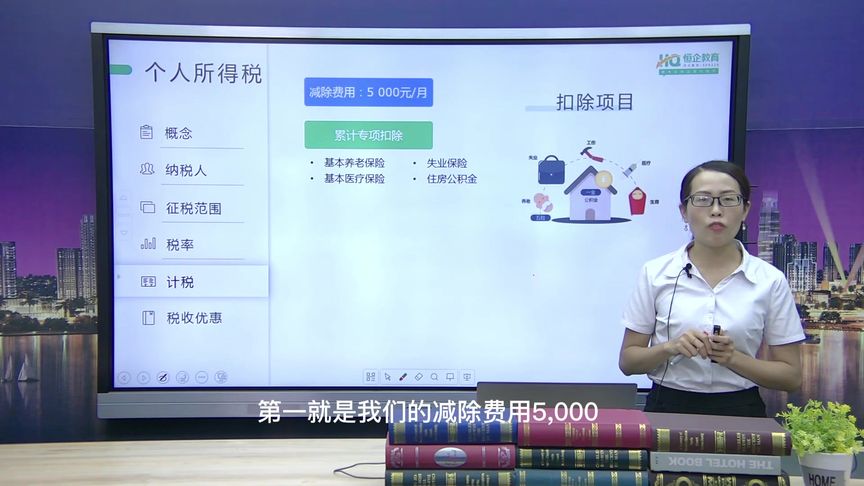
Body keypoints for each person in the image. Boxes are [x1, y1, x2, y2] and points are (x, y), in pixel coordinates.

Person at [618, 160, 804, 417]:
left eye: (728, 200)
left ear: (745, 210)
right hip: (667, 407)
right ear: (684, 211)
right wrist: (671, 347)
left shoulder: (770, 280)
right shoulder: (655, 273)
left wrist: (732, 358)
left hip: (741, 410)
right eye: (703, 200)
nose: (716, 211)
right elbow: (628, 362)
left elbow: (791, 377)